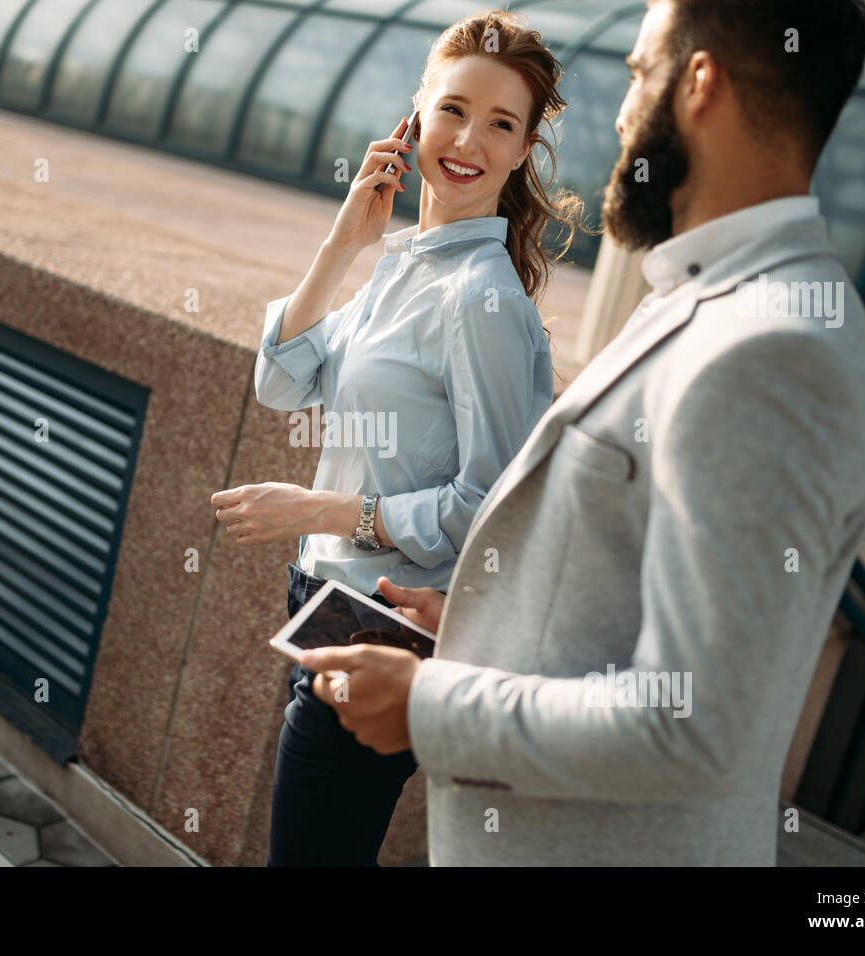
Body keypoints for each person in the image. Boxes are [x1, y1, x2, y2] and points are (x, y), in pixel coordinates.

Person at [297, 0, 865, 865]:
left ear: (699, 84)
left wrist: (427, 703)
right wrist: (477, 625)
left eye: (641, 72)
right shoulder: (711, 298)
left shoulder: (774, 351)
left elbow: (693, 720)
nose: (619, 110)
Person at [211, 11, 584, 865]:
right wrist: (344, 241)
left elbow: (488, 507)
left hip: (388, 629)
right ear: (413, 118)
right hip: (327, 610)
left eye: (501, 124)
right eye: (453, 110)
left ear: (524, 150)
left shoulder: (482, 300)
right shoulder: (403, 266)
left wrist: (321, 508)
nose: (469, 140)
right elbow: (280, 381)